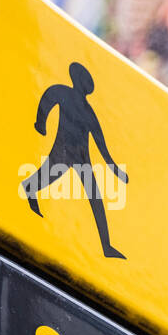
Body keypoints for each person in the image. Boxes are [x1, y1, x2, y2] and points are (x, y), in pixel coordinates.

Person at [20, 62, 130, 259]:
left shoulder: (89, 112)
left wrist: (117, 171)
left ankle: (106, 246)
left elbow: (101, 145)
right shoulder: (63, 93)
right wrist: (40, 124)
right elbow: (47, 100)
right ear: (75, 79)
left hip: (81, 158)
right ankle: (28, 189)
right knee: (44, 178)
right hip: (62, 151)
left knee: (96, 198)